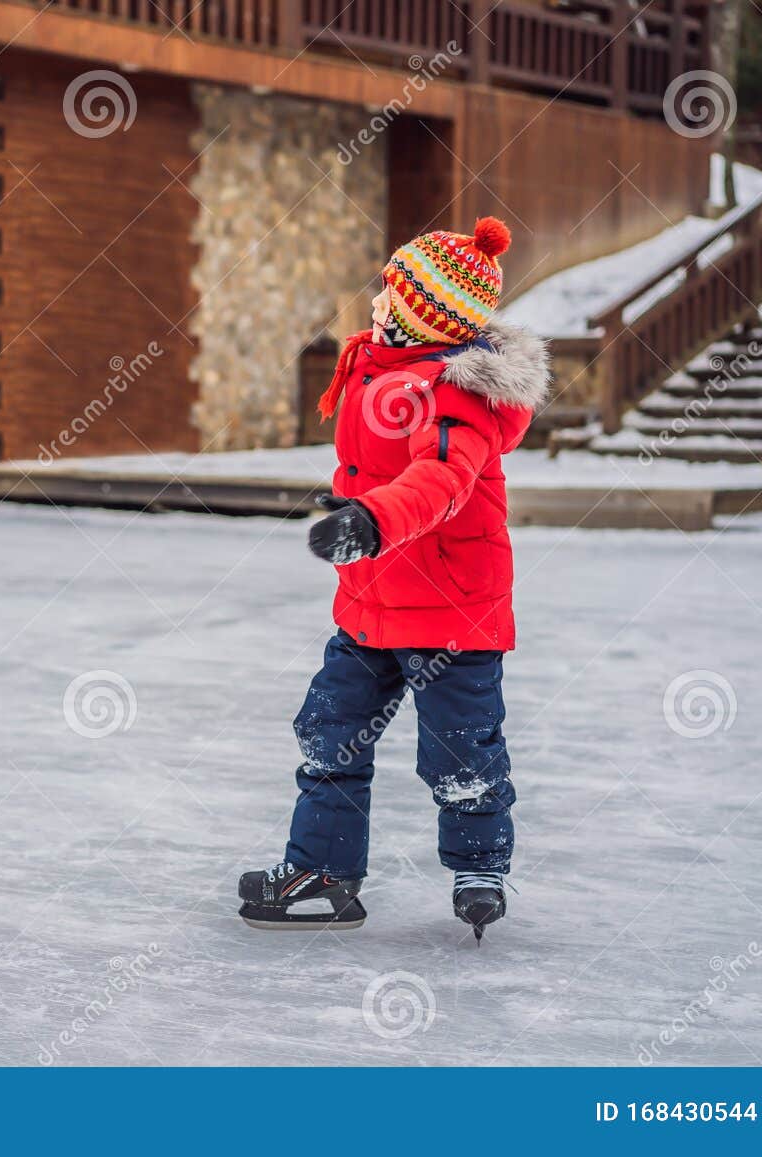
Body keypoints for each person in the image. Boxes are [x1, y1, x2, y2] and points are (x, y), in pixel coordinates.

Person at [238, 217, 550, 941]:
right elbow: (386, 466)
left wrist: (371, 522)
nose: (377, 300)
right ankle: (323, 872)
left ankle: (478, 866)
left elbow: (441, 480)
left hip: (450, 611)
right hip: (373, 602)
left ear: (423, 313)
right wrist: (355, 504)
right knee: (330, 731)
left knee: (460, 749)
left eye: (391, 290)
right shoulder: (384, 369)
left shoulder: (458, 391)